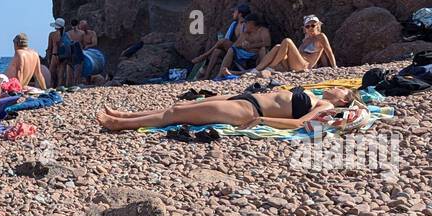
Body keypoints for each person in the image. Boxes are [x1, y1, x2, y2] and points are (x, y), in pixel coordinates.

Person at [96, 85, 359, 132]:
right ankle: (124, 115)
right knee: (182, 105)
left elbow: (302, 124)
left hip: (248, 111)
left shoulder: (324, 105)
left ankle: (119, 124)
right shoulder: (315, 93)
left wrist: (264, 120)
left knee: (175, 115)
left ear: (343, 100)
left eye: (341, 90)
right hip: (245, 98)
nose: (335, 87)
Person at [253, 15, 338, 73]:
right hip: (293, 64)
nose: (311, 28)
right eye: (308, 26)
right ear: (305, 29)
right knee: (278, 46)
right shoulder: (305, 40)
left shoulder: (321, 36)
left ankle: (271, 67)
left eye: (313, 25)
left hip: (303, 65)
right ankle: (256, 69)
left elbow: (328, 52)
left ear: (318, 26)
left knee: (287, 41)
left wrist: (334, 67)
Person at [191, 3, 250, 78]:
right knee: (216, 52)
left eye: (235, 12)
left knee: (223, 41)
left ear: (240, 14)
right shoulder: (234, 24)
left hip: (242, 53)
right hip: (233, 51)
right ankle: (206, 76)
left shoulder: (246, 25)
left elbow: (243, 42)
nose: (233, 14)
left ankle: (204, 56)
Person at [46, 18, 65, 89]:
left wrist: (48, 58)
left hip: (55, 55)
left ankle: (51, 87)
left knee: (51, 72)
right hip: (64, 56)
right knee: (61, 73)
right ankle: (59, 87)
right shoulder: (66, 35)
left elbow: (49, 47)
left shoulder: (52, 34)